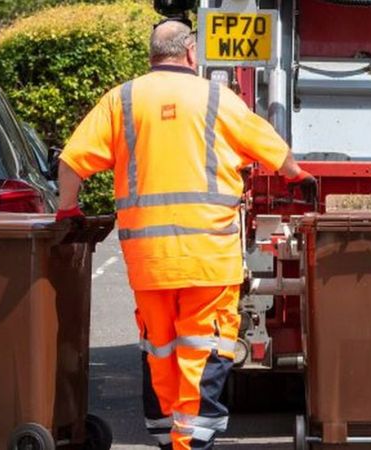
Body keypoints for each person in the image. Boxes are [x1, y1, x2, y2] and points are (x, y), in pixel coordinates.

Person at [55, 18, 316, 450]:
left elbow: (71, 162)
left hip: (149, 263)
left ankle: (168, 439)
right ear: (191, 52)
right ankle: (189, 444)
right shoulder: (217, 98)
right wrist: (297, 175)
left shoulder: (122, 100)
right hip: (208, 259)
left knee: (160, 351)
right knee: (201, 350)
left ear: (152, 55)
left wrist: (68, 208)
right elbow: (273, 149)